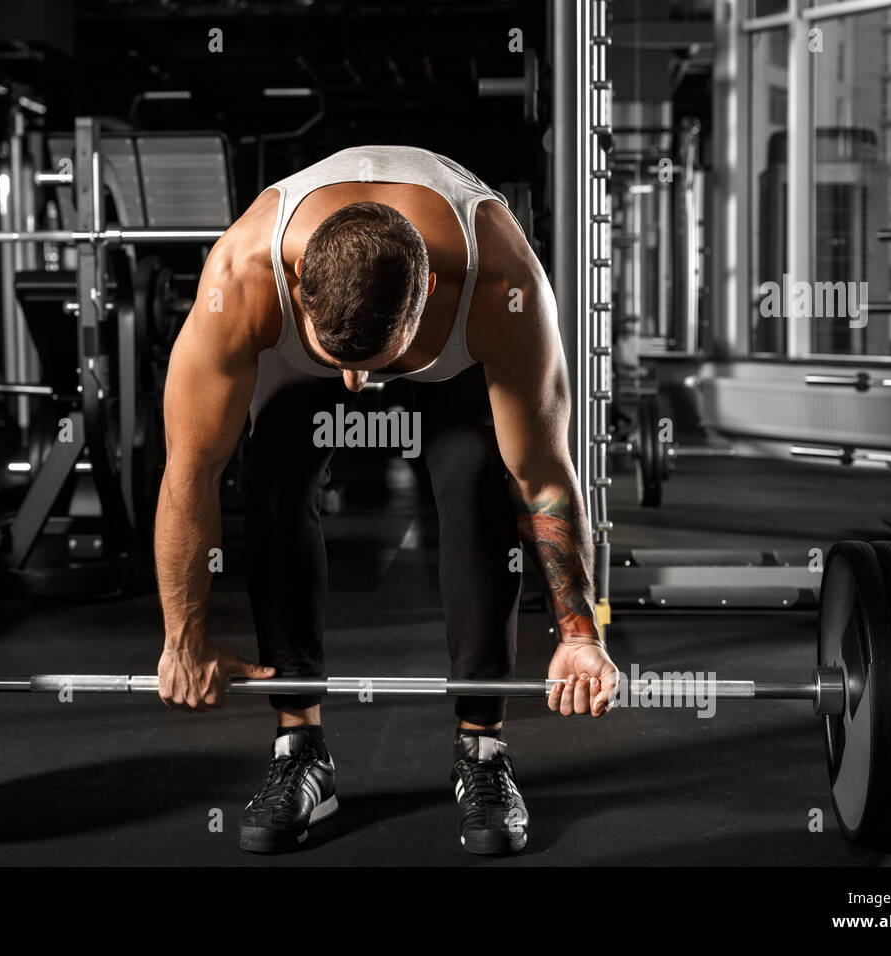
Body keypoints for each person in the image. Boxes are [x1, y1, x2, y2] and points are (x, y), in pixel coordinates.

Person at [154, 145, 619, 855]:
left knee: (478, 483)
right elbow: (191, 469)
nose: (353, 388)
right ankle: (299, 748)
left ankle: (482, 752)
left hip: (451, 360)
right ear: (300, 276)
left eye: (372, 367)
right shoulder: (243, 272)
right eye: (339, 363)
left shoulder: (499, 282)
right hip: (320, 342)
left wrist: (581, 635)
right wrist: (182, 639)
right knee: (274, 477)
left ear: (428, 288)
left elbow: (545, 478)